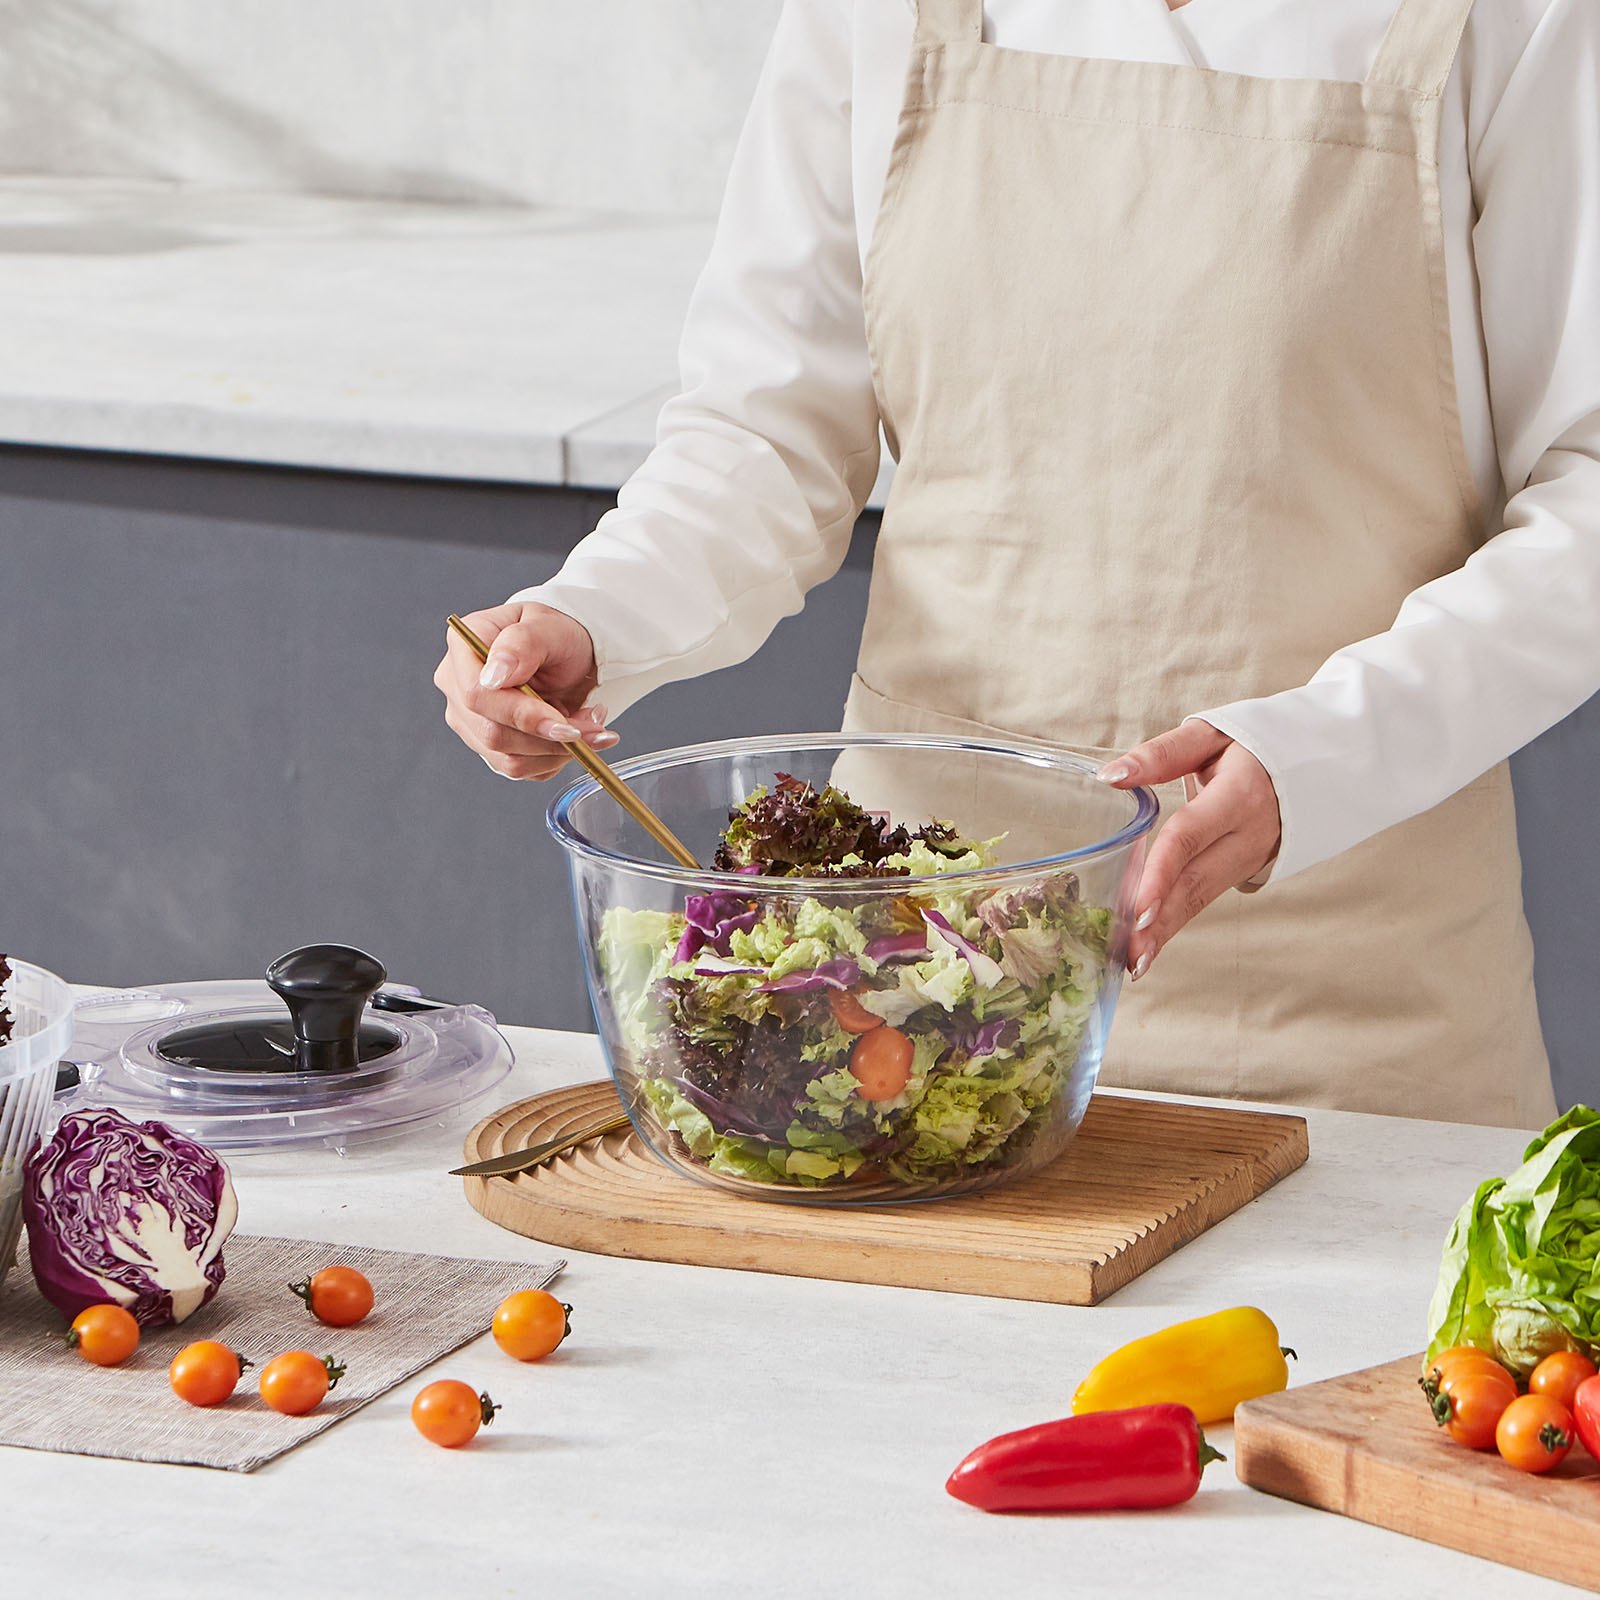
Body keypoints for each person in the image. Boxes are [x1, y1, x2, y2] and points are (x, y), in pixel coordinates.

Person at [437, 0, 1600, 1126]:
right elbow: (766, 430)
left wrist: (1319, 756)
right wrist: (591, 615)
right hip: (902, 989)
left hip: (1347, 973)